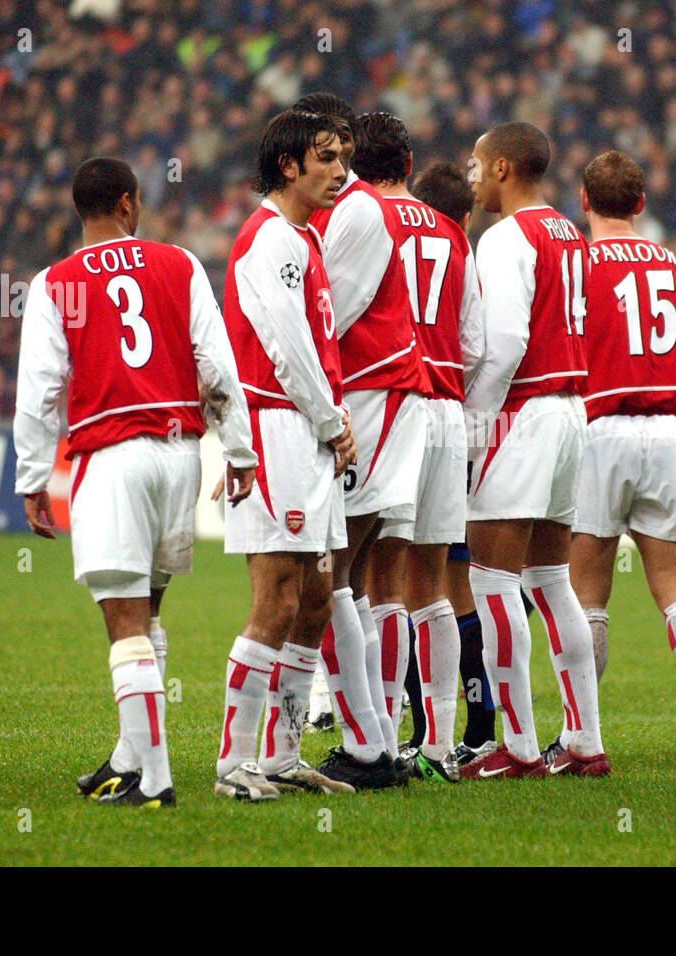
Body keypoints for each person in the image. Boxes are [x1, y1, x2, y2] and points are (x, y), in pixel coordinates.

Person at [13, 156, 258, 808]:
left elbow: (39, 391)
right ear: (127, 203)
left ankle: (155, 780)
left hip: (112, 455)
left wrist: (33, 475)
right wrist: (239, 452)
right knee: (145, 612)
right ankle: (129, 756)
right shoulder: (178, 264)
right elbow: (217, 362)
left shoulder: (54, 283)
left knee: (122, 620)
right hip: (179, 455)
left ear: (82, 208)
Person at [214, 109, 361, 798]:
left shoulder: (302, 237)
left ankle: (280, 754)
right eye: (326, 158)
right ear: (288, 166)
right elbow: (286, 345)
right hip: (279, 430)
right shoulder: (272, 239)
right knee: (276, 597)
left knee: (316, 602)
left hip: (308, 436)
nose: (340, 171)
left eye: (343, 158)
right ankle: (232, 762)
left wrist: (327, 427)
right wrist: (334, 422)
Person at [462, 121, 607, 778]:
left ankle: (517, 746)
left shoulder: (505, 237)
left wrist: (472, 426)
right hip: (572, 411)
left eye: (475, 164)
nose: (470, 177)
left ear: (500, 169)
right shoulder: (569, 233)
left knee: (490, 578)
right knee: (550, 580)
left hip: (522, 412)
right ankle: (583, 740)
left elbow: (506, 343)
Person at [568, 150, 676, 768]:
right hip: (666, 432)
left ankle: (584, 734)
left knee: (585, 593)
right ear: (639, 204)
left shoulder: (577, 264)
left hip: (598, 431)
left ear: (583, 201)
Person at [296, 91, 431, 788]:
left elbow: (330, 317)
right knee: (352, 576)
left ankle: (370, 746)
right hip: (387, 398)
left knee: (331, 571)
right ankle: (374, 740)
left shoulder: (356, 214)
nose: (330, 159)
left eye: (333, 146)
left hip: (376, 397)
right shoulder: (353, 213)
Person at [352, 115, 484, 782]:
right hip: (447, 410)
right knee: (434, 587)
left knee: (379, 584)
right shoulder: (450, 233)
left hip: (388, 405)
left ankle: (379, 739)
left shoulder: (353, 215)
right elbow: (478, 342)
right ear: (407, 161)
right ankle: (438, 746)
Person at [406, 161, 501, 770]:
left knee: (395, 583)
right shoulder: (465, 255)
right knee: (460, 585)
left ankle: (417, 729)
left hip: (390, 416)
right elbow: (479, 348)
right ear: (462, 217)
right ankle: (481, 722)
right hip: (461, 427)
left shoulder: (389, 239)